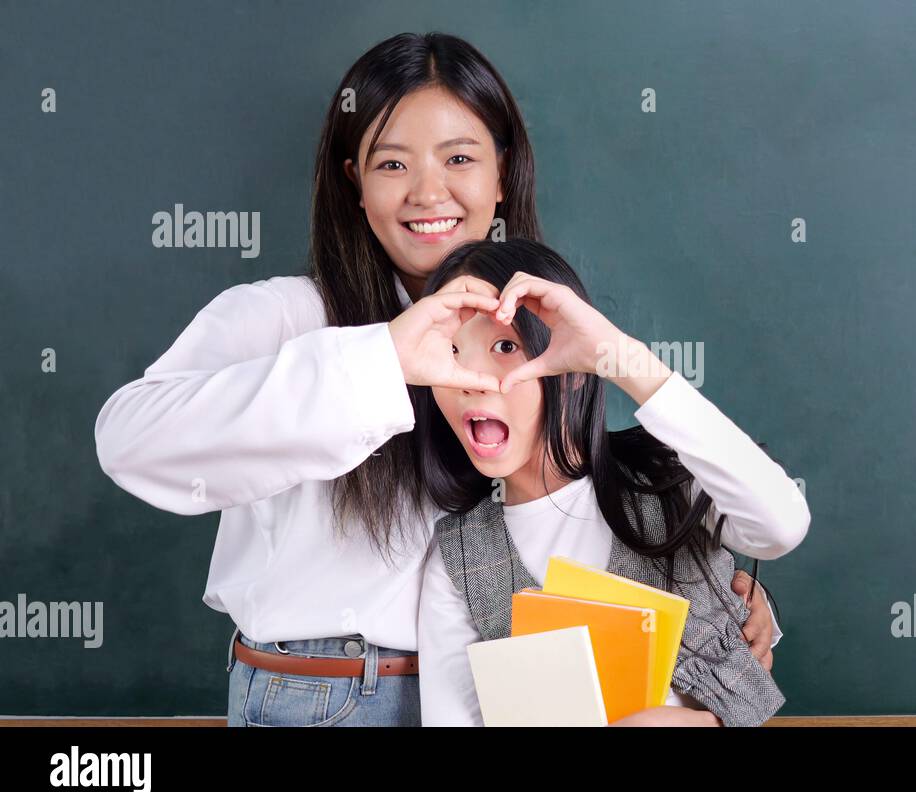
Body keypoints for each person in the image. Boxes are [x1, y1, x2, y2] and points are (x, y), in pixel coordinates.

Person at [93, 32, 781, 727]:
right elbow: (128, 440)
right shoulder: (284, 315)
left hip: (522, 695)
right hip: (328, 691)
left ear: (502, 173)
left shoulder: (545, 322)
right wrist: (384, 358)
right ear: (354, 184)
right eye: (392, 163)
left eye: (459, 158)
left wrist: (713, 596)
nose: (428, 192)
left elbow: (581, 510)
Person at [416, 238, 810, 726]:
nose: (469, 378)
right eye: (450, 351)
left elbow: (782, 527)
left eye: (504, 346)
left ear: (573, 369)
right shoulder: (456, 560)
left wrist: (618, 356)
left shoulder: (666, 480)